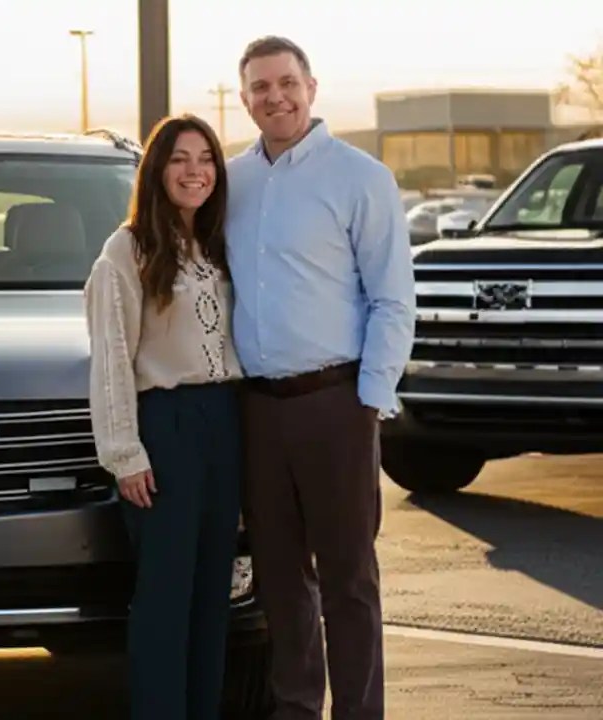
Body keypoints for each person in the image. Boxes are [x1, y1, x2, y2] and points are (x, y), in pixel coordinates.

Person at [224, 36, 416, 720]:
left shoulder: (360, 178)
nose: (274, 97)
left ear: (310, 86)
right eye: (259, 88)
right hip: (257, 410)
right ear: (243, 98)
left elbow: (394, 297)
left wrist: (369, 401)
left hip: (336, 403)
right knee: (280, 578)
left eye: (285, 83)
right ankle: (296, 708)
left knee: (349, 582)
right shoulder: (230, 181)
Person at [85, 113, 243, 720]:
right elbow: (110, 362)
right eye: (180, 158)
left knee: (213, 597)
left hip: (224, 423)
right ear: (156, 168)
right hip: (167, 429)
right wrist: (124, 452)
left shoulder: (218, 244)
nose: (194, 170)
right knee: (164, 598)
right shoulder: (126, 250)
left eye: (205, 158)